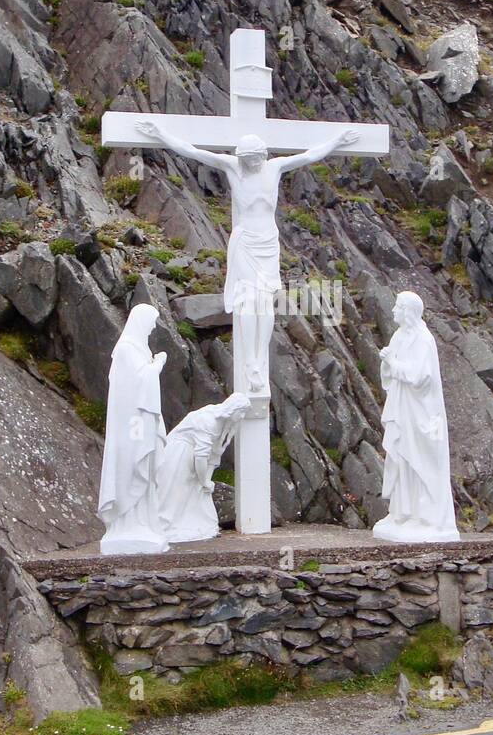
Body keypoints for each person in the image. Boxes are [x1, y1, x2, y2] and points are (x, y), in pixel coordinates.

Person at [136, 120, 357, 392]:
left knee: (265, 303)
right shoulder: (232, 167)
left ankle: (258, 359)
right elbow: (191, 151)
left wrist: (337, 141)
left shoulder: (274, 168)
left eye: (252, 159)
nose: (248, 164)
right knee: (249, 301)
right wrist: (161, 133)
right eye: (245, 159)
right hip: (245, 244)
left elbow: (309, 155)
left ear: (261, 156)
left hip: (267, 244)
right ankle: (251, 362)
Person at [373, 291, 459, 542]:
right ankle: (402, 512)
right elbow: (391, 374)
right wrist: (387, 363)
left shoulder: (423, 339)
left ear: (409, 311)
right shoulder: (399, 336)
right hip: (402, 407)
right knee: (401, 459)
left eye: (398, 307)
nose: (393, 311)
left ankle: (425, 516)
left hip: (419, 412)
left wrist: (393, 363)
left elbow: (421, 377)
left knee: (419, 461)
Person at [97, 304, 170, 554]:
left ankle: (144, 522)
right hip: (131, 425)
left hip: (142, 421)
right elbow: (134, 385)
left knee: (145, 470)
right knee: (131, 467)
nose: (152, 328)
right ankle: (128, 522)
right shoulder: (126, 350)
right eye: (150, 322)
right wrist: (157, 366)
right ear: (140, 322)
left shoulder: (139, 349)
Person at [156, 392, 251, 542]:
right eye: (241, 412)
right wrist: (203, 481)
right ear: (233, 409)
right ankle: (165, 524)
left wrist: (206, 480)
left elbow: (214, 455)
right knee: (175, 493)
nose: (241, 417)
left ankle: (191, 523)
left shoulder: (224, 424)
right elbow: (201, 456)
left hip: (193, 457)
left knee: (196, 495)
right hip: (179, 454)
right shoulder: (209, 420)